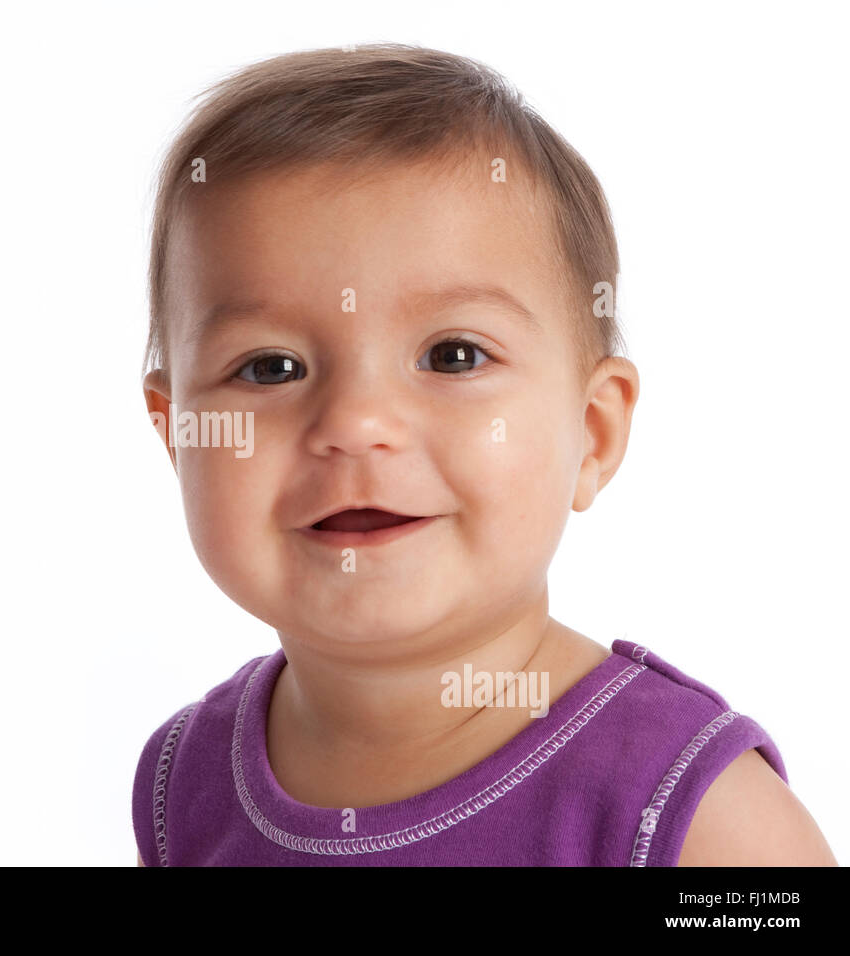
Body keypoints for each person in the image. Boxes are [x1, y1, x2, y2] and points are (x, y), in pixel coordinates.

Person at [131, 43, 836, 866]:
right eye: (269, 368)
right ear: (178, 434)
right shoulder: (185, 782)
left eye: (453, 356)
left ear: (594, 433)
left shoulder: (693, 818)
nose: (356, 424)